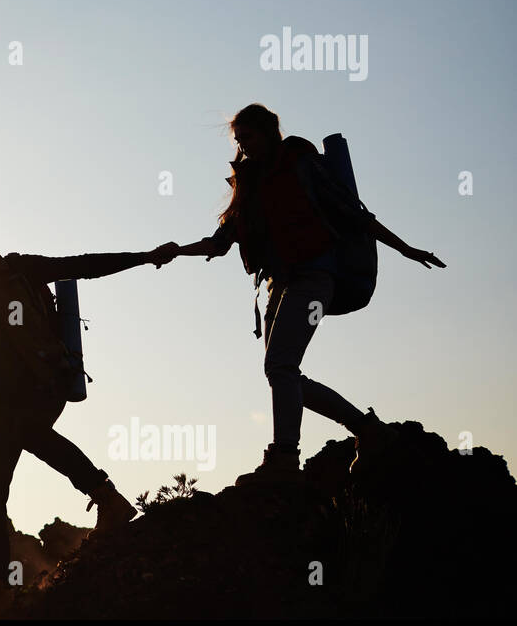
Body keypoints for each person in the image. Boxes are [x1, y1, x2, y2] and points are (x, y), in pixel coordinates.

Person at [174, 103, 446, 485]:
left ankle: (285, 457)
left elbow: (353, 214)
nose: (243, 147)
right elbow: (220, 243)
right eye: (239, 141)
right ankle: (368, 431)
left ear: (270, 131)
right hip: (277, 285)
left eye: (247, 137)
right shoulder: (249, 184)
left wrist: (406, 249)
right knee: (282, 372)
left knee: (280, 367)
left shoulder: (302, 165)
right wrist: (173, 251)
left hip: (317, 282)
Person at [0, 210, 179, 612]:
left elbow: (82, 265)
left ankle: (106, 500)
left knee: (24, 431)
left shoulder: (20, 269)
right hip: (0, 404)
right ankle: (0, 586)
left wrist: (146, 255)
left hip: (45, 384)